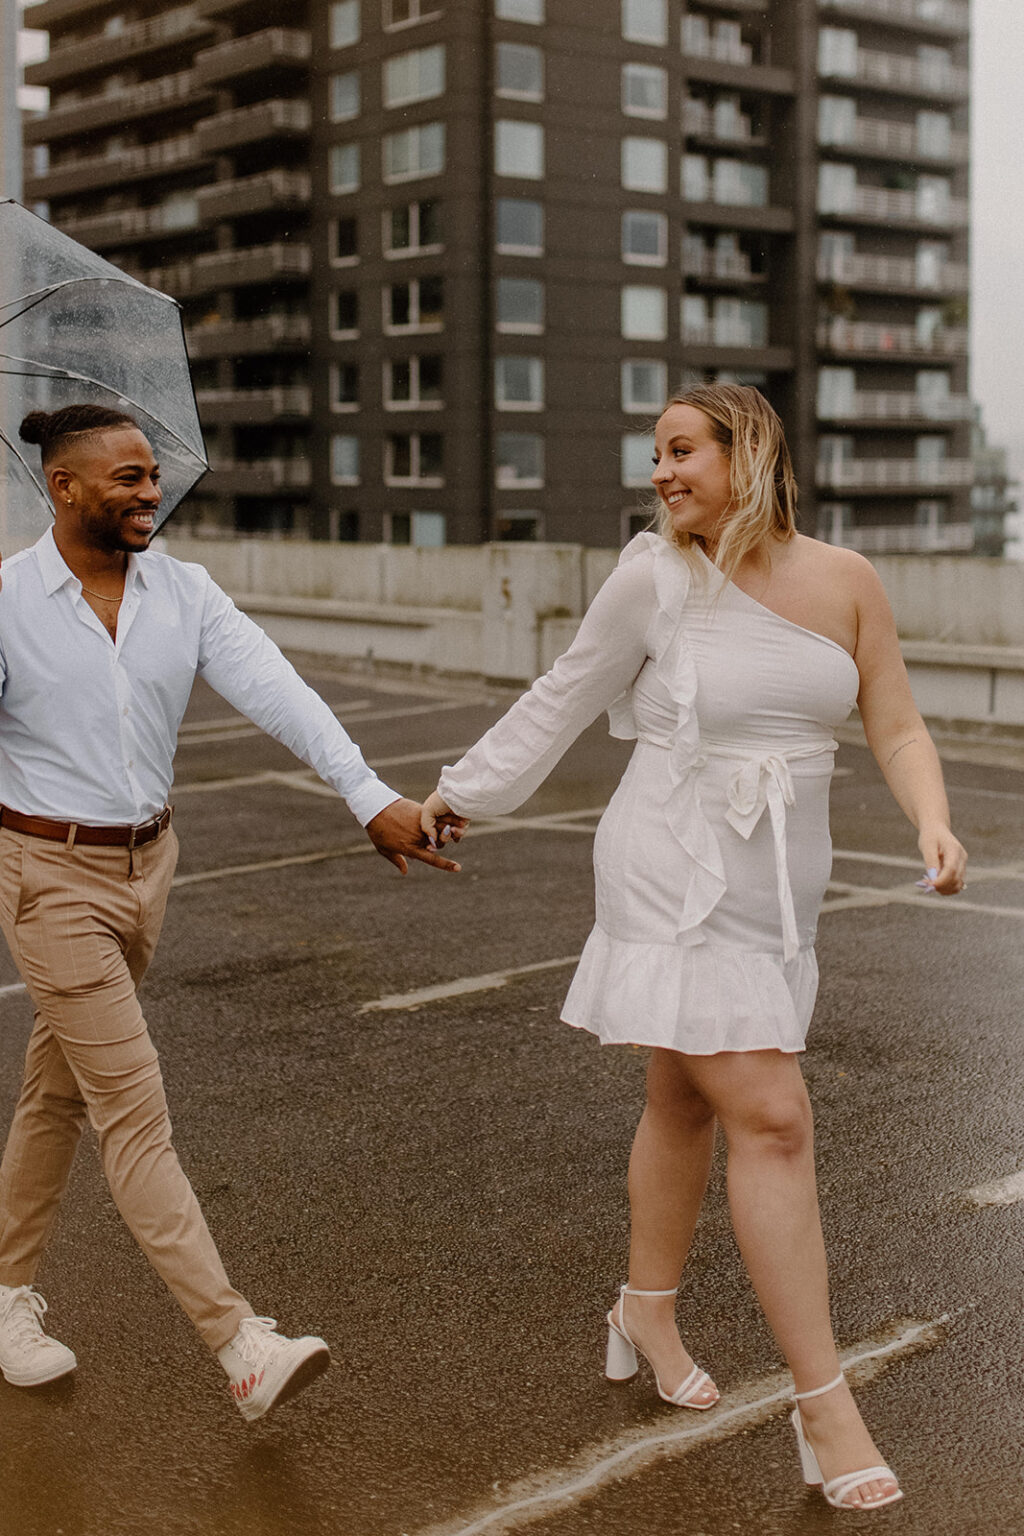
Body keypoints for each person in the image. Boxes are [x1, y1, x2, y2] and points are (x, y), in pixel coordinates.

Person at [421, 384, 966, 1511]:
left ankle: (644, 1309)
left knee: (680, 1094)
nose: (661, 473)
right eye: (655, 456)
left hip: (778, 886)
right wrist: (456, 793)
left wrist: (930, 815)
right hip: (672, 864)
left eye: (681, 451)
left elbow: (896, 719)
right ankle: (825, 1407)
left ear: (747, 451)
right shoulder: (652, 575)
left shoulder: (846, 581)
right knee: (770, 1115)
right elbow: (564, 693)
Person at [0, 403, 460, 1422]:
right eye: (124, 478)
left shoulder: (184, 593)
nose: (149, 492)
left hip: (146, 868)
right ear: (63, 486)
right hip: (45, 873)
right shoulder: (6, 602)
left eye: (153, 475)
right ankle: (238, 1342)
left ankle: (2, 1295)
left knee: (60, 1093)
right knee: (131, 1105)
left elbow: (278, 689)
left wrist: (367, 795)